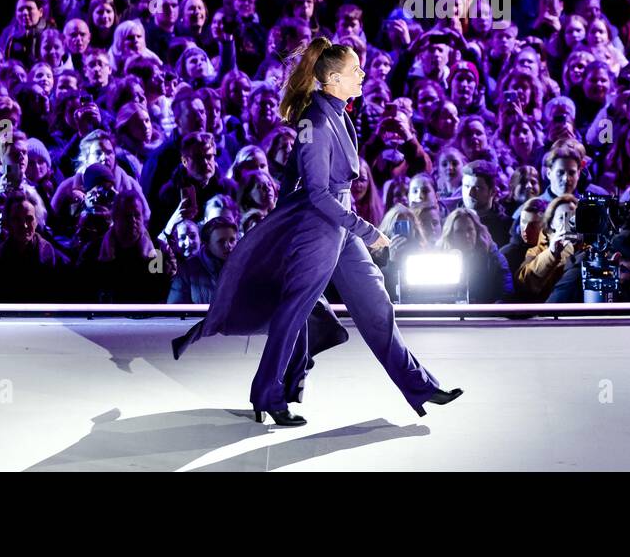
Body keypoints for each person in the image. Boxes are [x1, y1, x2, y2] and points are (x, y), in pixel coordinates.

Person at [171, 38, 462, 425]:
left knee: (376, 305)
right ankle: (268, 395)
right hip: (320, 225)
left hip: (340, 223)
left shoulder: (338, 113)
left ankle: (420, 386)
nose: (362, 74)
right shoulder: (316, 121)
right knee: (295, 309)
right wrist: (365, 229)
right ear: (332, 78)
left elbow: (305, 176)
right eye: (355, 70)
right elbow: (317, 193)